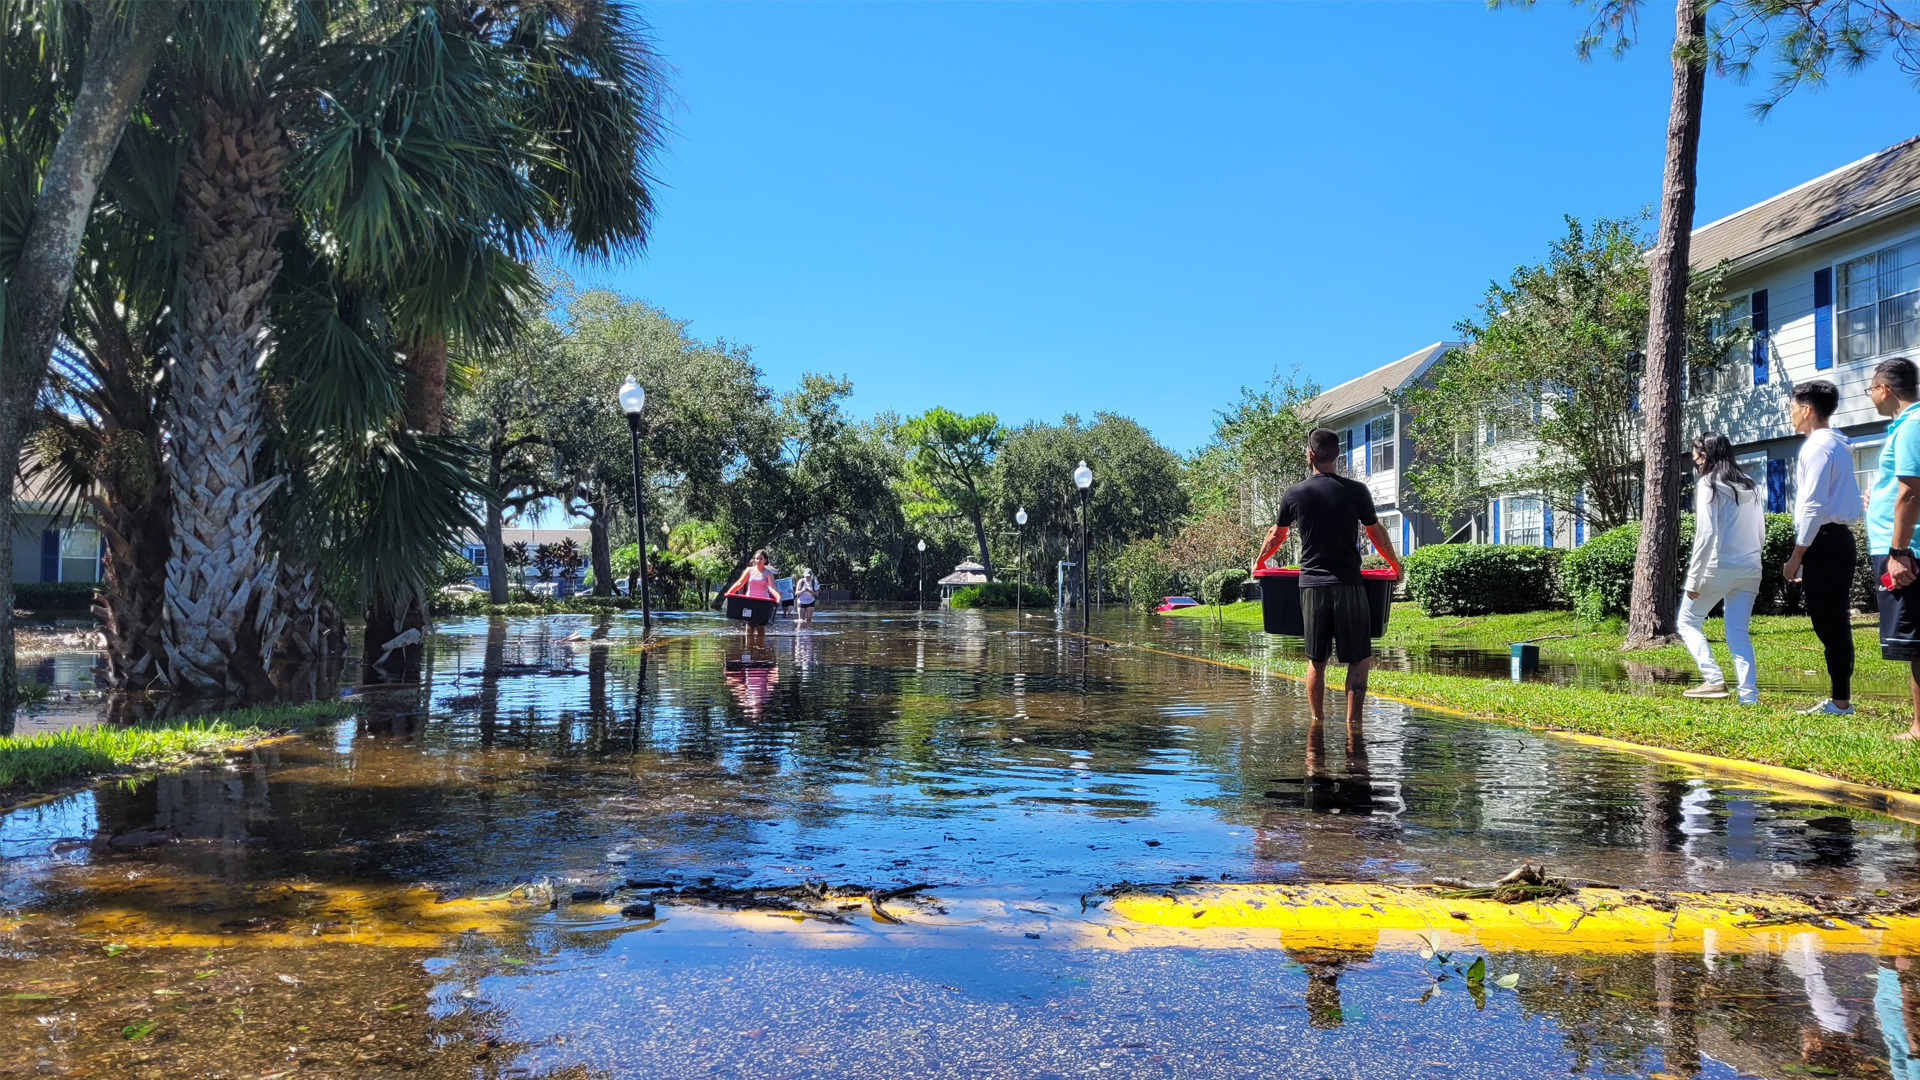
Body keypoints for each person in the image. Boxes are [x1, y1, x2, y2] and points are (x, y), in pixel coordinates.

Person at [1253, 427, 1402, 727]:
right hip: (1349, 584)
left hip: (1312, 586)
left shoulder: (1295, 493)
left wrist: (1259, 563)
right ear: (1338, 455)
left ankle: (1317, 723)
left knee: (1316, 661)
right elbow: (1376, 533)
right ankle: (1353, 727)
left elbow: (1276, 535)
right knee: (1358, 658)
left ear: (1309, 454)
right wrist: (1394, 565)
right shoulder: (1356, 490)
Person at [1781, 379, 1862, 715]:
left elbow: (1813, 506)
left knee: (1830, 622)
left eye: (1792, 408)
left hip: (1824, 541)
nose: (1790, 416)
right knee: (1831, 621)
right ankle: (1839, 698)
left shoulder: (1817, 447)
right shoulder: (1837, 443)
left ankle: (1840, 702)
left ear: (1807, 409)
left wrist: (1796, 555)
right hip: (1836, 539)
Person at [1677, 431, 1765, 703]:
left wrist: (1692, 581)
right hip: (1750, 569)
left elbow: (1706, 535)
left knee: (1688, 622)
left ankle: (1714, 679)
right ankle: (1748, 696)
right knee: (1738, 633)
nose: (1695, 463)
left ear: (1706, 456)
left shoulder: (1708, 485)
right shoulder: (1750, 484)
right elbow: (1761, 531)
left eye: (1696, 458)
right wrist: (1755, 562)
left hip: (1717, 566)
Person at [1866, 356, 1920, 739]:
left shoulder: (1912, 426)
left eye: (1871, 388)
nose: (1870, 396)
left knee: (1916, 642)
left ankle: (1919, 728)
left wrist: (1898, 553)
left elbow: (1910, 491)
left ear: (1884, 388)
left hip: (1907, 551)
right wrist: (1877, 495)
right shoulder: (1905, 426)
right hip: (1901, 546)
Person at [725, 549, 784, 646]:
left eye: (760, 559)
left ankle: (760, 652)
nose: (758, 561)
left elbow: (772, 588)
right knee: (750, 626)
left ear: (765, 560)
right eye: (756, 559)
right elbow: (740, 583)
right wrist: (729, 593)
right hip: (750, 602)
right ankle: (749, 650)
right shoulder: (749, 570)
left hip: (762, 603)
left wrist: (778, 598)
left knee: (760, 627)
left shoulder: (768, 574)